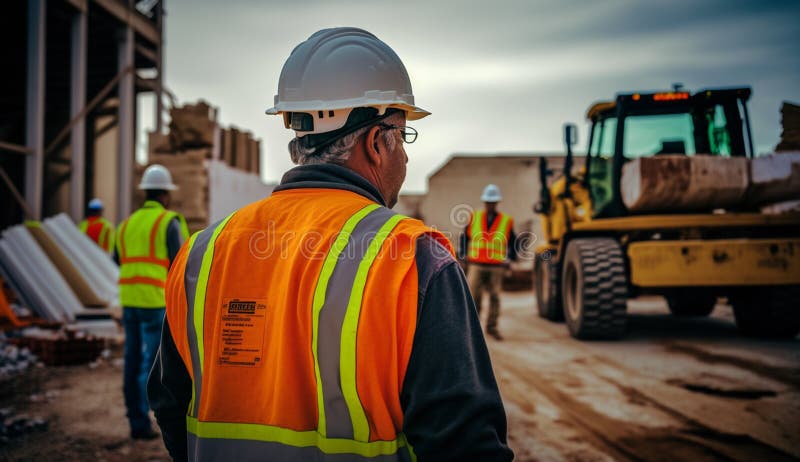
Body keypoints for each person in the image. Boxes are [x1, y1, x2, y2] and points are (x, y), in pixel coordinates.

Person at [148, 27, 513, 461]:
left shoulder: (201, 254)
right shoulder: (412, 258)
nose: (405, 156)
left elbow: (171, 405)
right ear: (377, 144)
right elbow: (465, 444)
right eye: (403, 137)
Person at [115, 164, 188, 440]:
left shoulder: (125, 225)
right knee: (151, 363)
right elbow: (181, 262)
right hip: (154, 301)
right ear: (165, 195)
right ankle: (149, 418)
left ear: (145, 192)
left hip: (128, 300)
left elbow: (117, 259)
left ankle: (136, 421)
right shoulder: (169, 221)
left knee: (131, 360)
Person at [459, 184, 518, 341]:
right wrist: (463, 256)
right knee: (473, 297)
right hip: (476, 264)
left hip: (496, 266)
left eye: (492, 202)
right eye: (487, 202)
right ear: (484, 202)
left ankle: (492, 327)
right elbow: (464, 237)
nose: (490, 205)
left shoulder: (506, 220)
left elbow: (513, 242)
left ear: (497, 203)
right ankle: (473, 329)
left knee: (495, 297)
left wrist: (511, 259)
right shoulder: (475, 217)